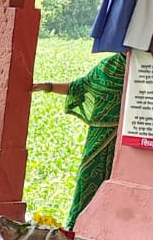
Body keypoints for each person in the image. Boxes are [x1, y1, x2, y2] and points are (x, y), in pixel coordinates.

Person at [32, 54, 126, 229]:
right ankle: (78, 225)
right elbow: (81, 86)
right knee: (87, 176)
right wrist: (49, 86)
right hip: (98, 134)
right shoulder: (107, 66)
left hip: (125, 138)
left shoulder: (142, 68)